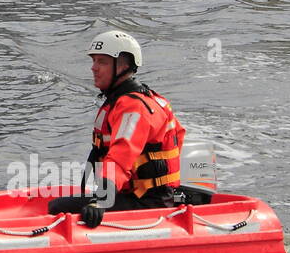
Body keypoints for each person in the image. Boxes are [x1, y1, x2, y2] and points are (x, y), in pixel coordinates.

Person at [48, 31, 187, 227]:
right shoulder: (142, 100)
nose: (93, 68)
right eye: (94, 61)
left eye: (102, 62)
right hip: (145, 195)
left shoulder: (133, 108)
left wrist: (102, 200)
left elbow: (121, 157)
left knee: (57, 207)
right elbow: (178, 137)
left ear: (123, 66)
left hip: (147, 202)